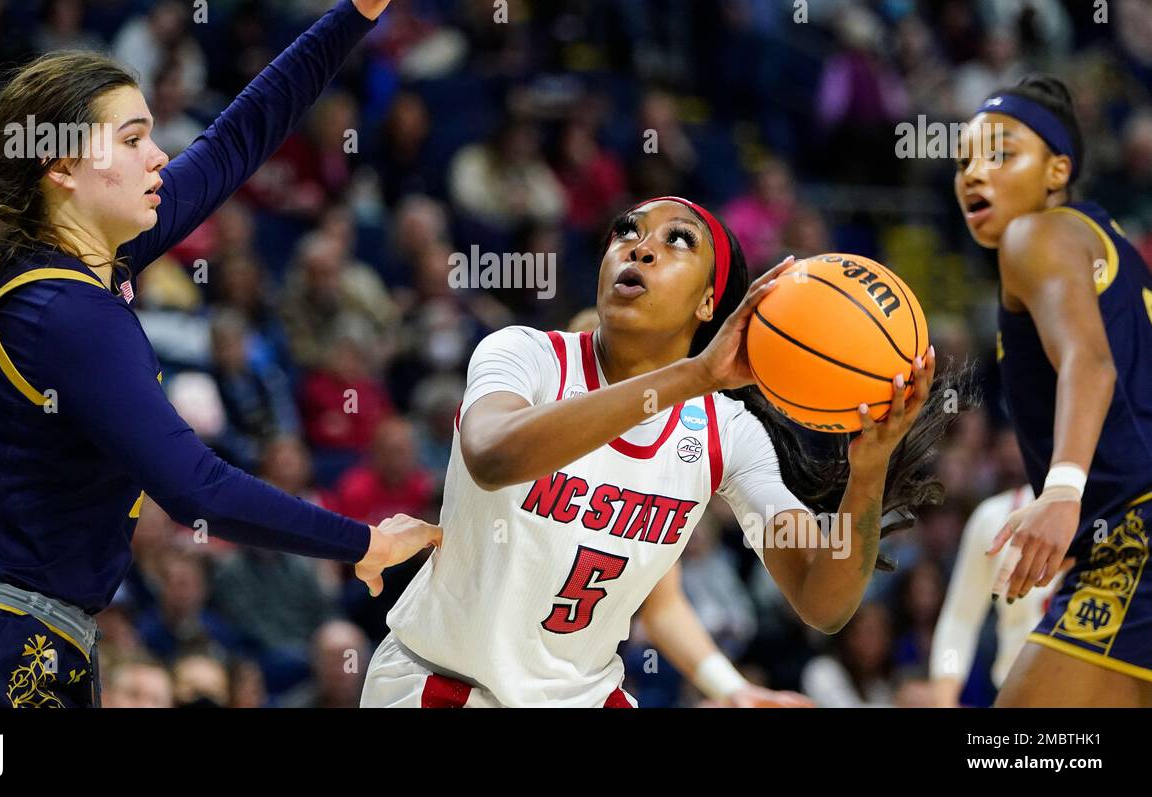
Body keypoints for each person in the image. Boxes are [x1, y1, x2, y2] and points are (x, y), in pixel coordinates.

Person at [0, 0, 439, 708]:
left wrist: (362, 6)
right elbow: (193, 486)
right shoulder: (62, 310)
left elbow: (238, 138)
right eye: (131, 138)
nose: (159, 154)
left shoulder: (82, 265)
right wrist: (359, 539)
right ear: (60, 166)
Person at [361, 195, 942, 707]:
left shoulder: (726, 431)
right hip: (441, 687)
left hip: (586, 695)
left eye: (677, 240)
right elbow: (491, 457)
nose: (638, 248)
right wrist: (694, 376)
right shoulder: (524, 354)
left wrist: (869, 470)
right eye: (626, 231)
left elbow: (823, 602)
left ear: (708, 306)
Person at [954, 74, 1152, 706]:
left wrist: (1064, 493)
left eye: (1000, 152)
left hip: (1134, 534)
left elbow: (1089, 363)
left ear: (1056, 169)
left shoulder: (1032, 235)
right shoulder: (1109, 245)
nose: (972, 174)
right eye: (964, 159)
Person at [929, 484, 1056, 706]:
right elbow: (960, 619)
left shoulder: (1108, 518)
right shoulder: (993, 516)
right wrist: (945, 696)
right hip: (1017, 695)